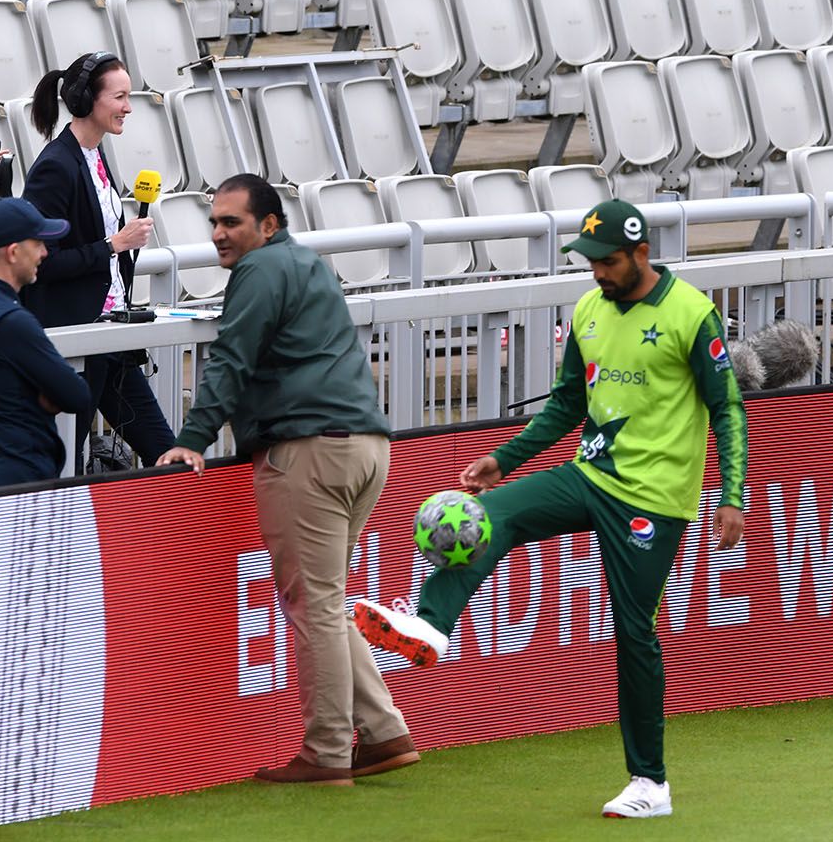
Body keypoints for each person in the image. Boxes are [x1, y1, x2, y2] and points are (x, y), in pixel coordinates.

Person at [352, 199, 748, 818]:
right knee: (491, 515)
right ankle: (432, 624)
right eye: (589, 261)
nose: (596, 273)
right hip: (591, 474)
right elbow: (567, 405)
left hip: (653, 498)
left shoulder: (692, 315)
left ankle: (651, 784)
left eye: (608, 261)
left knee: (633, 634)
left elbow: (726, 407)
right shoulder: (588, 310)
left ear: (642, 254)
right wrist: (505, 461)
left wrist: (730, 495)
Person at [156, 174, 416, 787]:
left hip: (308, 450)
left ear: (268, 225)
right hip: (366, 446)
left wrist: (192, 438)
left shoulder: (260, 270)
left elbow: (230, 357)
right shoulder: (305, 262)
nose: (219, 234)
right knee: (326, 601)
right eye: (214, 223)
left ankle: (327, 753)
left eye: (231, 223)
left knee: (312, 606)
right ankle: (383, 734)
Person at [22, 51, 175, 472]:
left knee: (167, 452)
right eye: (120, 96)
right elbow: (39, 262)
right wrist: (113, 245)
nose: (128, 107)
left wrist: (118, 248)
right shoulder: (55, 166)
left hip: (109, 336)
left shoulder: (95, 155)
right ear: (86, 100)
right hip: (76, 342)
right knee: (58, 464)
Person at [0, 198, 90, 493]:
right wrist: (42, 395)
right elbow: (77, 396)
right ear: (13, 252)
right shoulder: (10, 321)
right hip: (13, 490)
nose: (45, 253)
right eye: (38, 244)